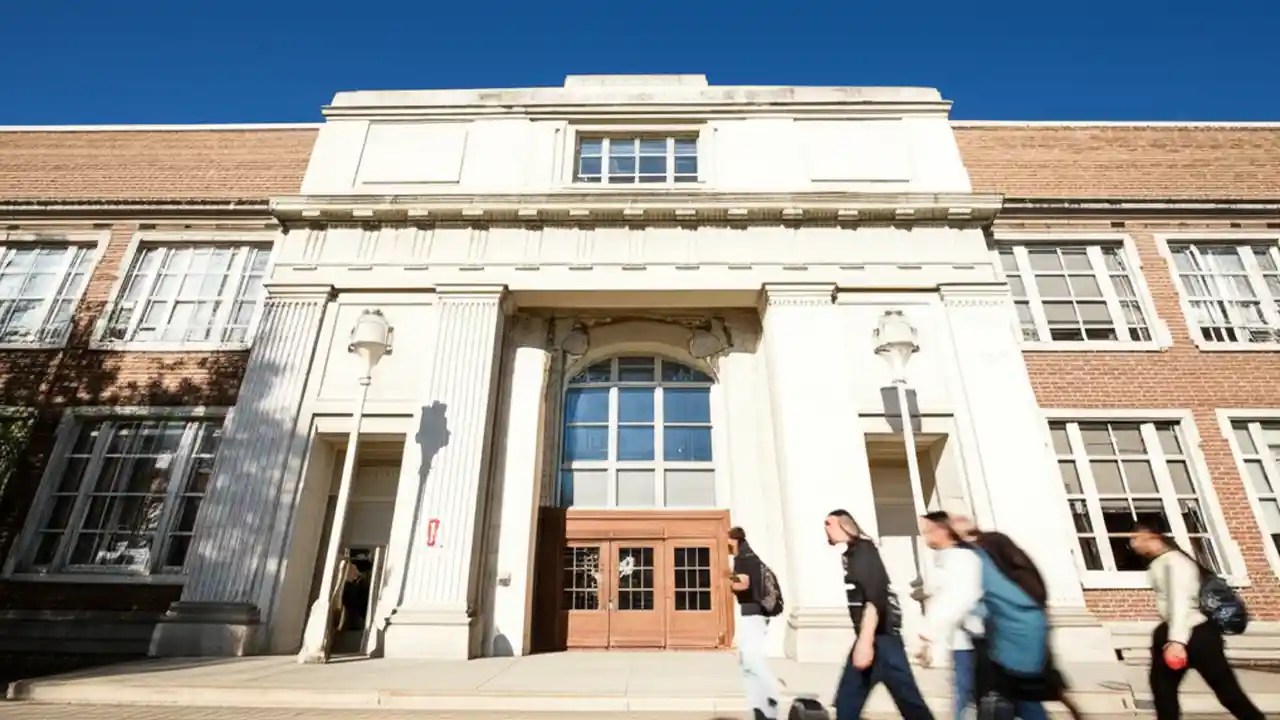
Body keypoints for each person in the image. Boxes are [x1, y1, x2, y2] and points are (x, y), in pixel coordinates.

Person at [944, 514, 1083, 720]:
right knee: (1019, 693)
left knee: (1021, 694)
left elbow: (980, 594)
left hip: (1013, 631)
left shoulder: (986, 551)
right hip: (1013, 631)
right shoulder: (979, 552)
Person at [1129, 523, 1263, 720]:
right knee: (1163, 692)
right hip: (1179, 631)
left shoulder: (1174, 563)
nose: (1133, 544)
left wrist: (1177, 641)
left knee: (1228, 694)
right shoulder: (1161, 563)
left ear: (1153, 538)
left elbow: (1180, 602)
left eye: (1136, 538)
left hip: (1195, 634)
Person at [824, 509, 933, 720]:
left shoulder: (863, 552)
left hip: (882, 639)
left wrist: (865, 641)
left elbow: (875, 599)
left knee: (909, 702)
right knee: (848, 700)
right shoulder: (855, 553)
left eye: (829, 523)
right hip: (876, 638)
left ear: (845, 525)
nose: (825, 529)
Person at [916, 511, 984, 720]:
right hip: (963, 638)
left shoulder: (960, 558)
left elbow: (957, 599)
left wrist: (930, 632)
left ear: (942, 531)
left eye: (928, 531)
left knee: (967, 696)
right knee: (969, 695)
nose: (925, 536)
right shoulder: (950, 558)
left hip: (973, 637)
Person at [728, 526, 781, 720]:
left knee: (752, 660)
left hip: (753, 613)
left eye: (728, 542)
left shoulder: (744, 559)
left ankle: (771, 697)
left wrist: (728, 579)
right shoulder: (751, 557)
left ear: (735, 540)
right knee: (746, 661)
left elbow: (743, 583)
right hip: (754, 613)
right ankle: (759, 705)